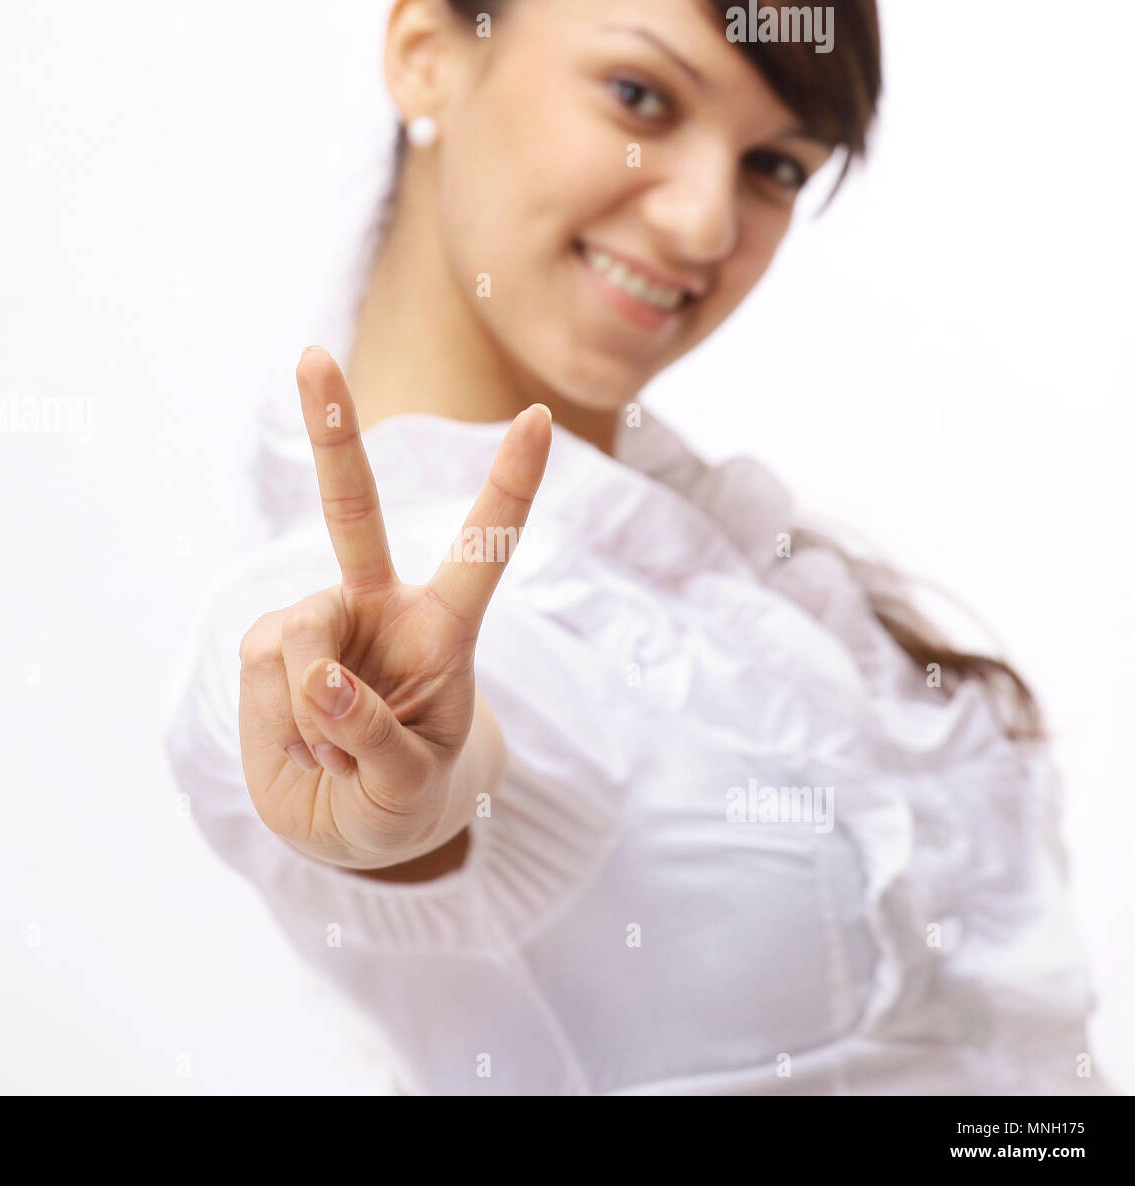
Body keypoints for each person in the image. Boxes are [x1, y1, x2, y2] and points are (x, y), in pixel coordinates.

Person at [165, 0, 1107, 1094]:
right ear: (426, 54)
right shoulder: (364, 616)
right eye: (640, 97)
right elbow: (411, 777)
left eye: (776, 166)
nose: (706, 223)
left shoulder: (724, 553)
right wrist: (387, 783)